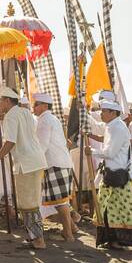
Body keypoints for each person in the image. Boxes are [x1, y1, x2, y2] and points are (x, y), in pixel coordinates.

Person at [0, 88, 48, 251]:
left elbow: (10, 142)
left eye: (1, 101)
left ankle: (38, 239)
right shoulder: (24, 112)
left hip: (26, 163)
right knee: (31, 202)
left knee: (28, 204)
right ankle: (35, 236)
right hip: (35, 161)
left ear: (7, 101)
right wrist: (3, 118)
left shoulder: (11, 116)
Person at [93, 98, 132, 251]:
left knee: (130, 209)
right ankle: (113, 241)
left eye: (104, 111)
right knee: (109, 209)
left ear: (113, 113)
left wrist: (92, 151)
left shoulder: (118, 128)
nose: (101, 114)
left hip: (123, 177)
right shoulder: (111, 126)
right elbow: (95, 126)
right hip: (110, 175)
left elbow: (110, 152)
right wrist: (81, 110)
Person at [32, 92, 78, 243]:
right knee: (60, 200)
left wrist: (33, 162)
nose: (34, 107)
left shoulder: (45, 120)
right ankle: (72, 228)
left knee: (59, 201)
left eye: (36, 104)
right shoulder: (51, 118)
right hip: (59, 163)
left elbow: (42, 145)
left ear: (45, 106)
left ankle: (68, 234)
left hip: (54, 164)